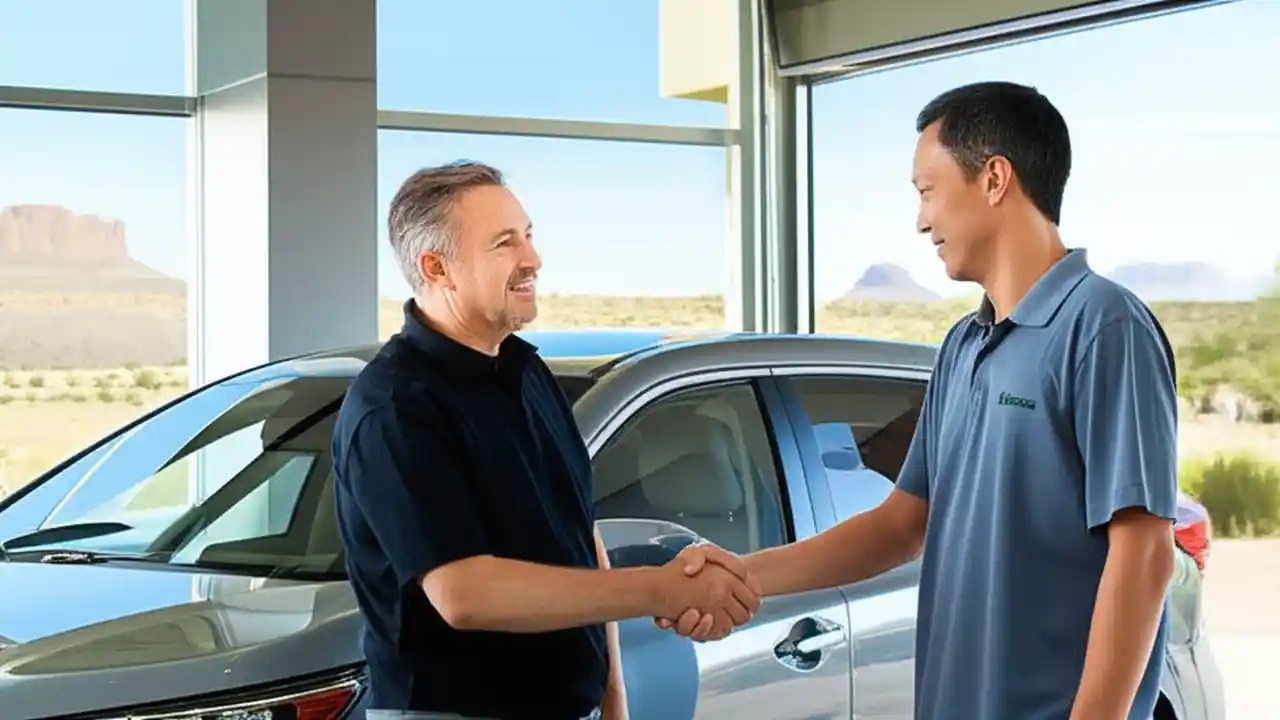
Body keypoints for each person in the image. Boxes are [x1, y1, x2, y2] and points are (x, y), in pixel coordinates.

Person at [662, 81, 1180, 720]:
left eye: (927, 191)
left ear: (994, 178)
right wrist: (740, 575)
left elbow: (1145, 550)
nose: (921, 220)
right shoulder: (963, 345)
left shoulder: (1104, 327)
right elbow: (899, 527)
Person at [331, 160, 761, 720]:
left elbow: (582, 539)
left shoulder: (529, 375)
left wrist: (613, 700)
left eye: (528, 236)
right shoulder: (395, 407)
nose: (532, 259)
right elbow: (466, 593)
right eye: (505, 243)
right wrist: (660, 589)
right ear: (436, 267)